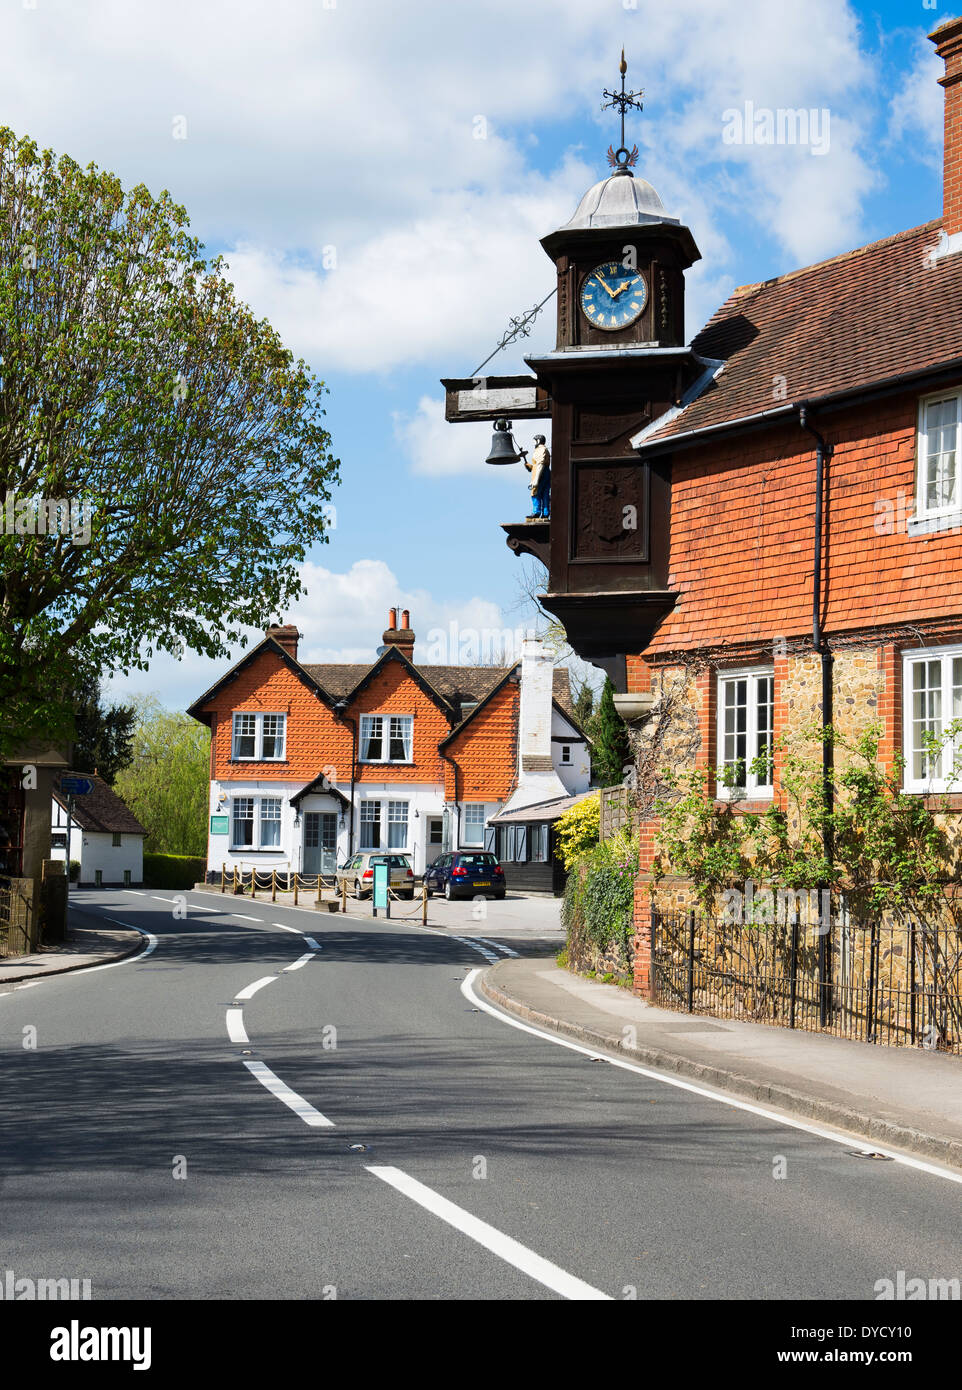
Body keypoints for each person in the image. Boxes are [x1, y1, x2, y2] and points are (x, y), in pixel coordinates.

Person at [525, 435, 550, 518]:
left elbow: (540, 464)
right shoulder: (544, 449)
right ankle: (545, 513)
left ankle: (536, 512)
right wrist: (530, 467)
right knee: (545, 493)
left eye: (535, 441)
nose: (534, 443)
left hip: (541, 473)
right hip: (545, 473)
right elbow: (537, 465)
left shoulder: (540, 450)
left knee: (535, 493)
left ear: (538, 441)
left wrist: (536, 479)